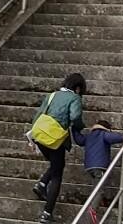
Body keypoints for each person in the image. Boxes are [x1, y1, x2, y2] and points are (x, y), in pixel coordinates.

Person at [31, 73, 87, 224]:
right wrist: (81, 127)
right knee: (57, 175)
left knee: (57, 165)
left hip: (40, 135)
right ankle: (47, 214)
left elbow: (38, 115)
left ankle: (41, 184)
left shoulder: (52, 95)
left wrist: (32, 138)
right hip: (55, 138)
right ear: (77, 88)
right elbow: (75, 117)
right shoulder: (75, 98)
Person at [79, 121, 123, 224]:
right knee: (100, 191)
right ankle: (93, 209)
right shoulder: (103, 134)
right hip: (99, 166)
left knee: (95, 188)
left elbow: (80, 140)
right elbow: (113, 137)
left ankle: (97, 203)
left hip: (89, 167)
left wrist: (74, 130)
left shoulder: (89, 136)